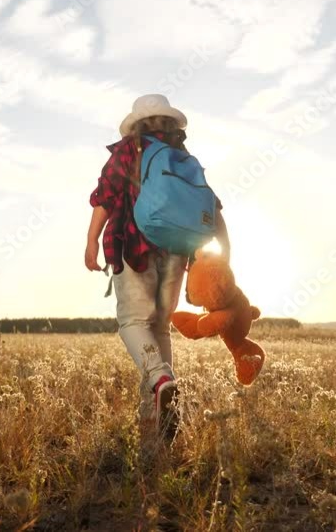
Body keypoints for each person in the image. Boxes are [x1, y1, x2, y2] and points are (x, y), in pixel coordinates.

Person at [84, 94, 229, 440]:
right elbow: (212, 205)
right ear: (170, 124)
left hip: (134, 246)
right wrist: (222, 253)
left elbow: (106, 195)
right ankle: (157, 427)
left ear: (137, 124)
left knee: (132, 322)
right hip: (178, 253)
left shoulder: (128, 149)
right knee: (159, 329)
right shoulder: (184, 157)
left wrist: (92, 240)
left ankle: (162, 379)